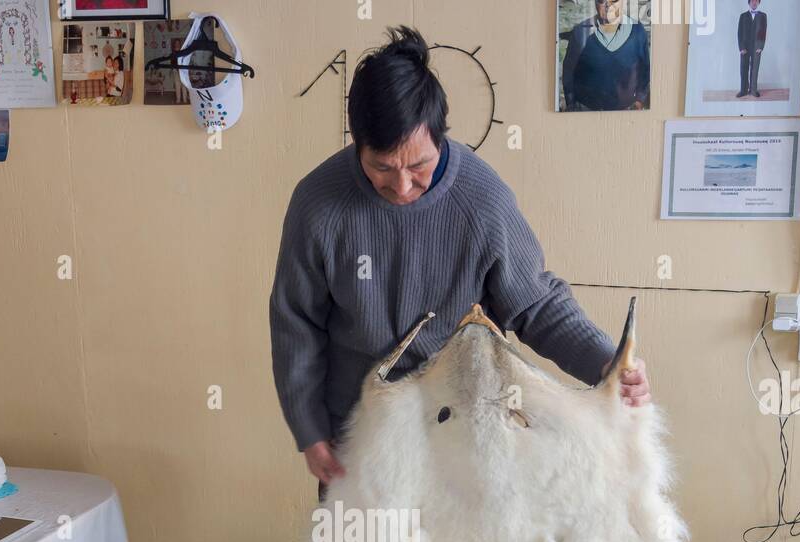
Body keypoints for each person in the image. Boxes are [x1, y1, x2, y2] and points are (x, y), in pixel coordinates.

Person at [270, 26, 651, 491]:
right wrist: (309, 430)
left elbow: (534, 303)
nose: (403, 186)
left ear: (440, 135)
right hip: (359, 434)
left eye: (418, 167)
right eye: (382, 169)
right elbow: (296, 323)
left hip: (466, 429)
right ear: (357, 143)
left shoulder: (481, 199)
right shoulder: (318, 203)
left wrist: (608, 364)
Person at [561, 0, 651, 112]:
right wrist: (571, 104)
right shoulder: (581, 32)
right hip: (586, 113)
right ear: (595, 3)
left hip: (626, 113)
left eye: (614, 0)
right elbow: (568, 73)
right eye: (602, 1)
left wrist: (639, 100)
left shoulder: (637, 31)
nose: (608, 5)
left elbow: (645, 71)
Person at [738, 0, 767, 98]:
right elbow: (740, 32)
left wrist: (760, 46)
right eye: (752, 1)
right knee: (744, 68)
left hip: (756, 47)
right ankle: (743, 90)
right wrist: (741, 47)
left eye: (756, 1)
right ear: (749, 3)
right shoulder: (743, 16)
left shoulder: (763, 16)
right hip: (745, 46)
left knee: (755, 69)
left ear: (759, 3)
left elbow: (763, 31)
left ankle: (753, 90)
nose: (754, 3)